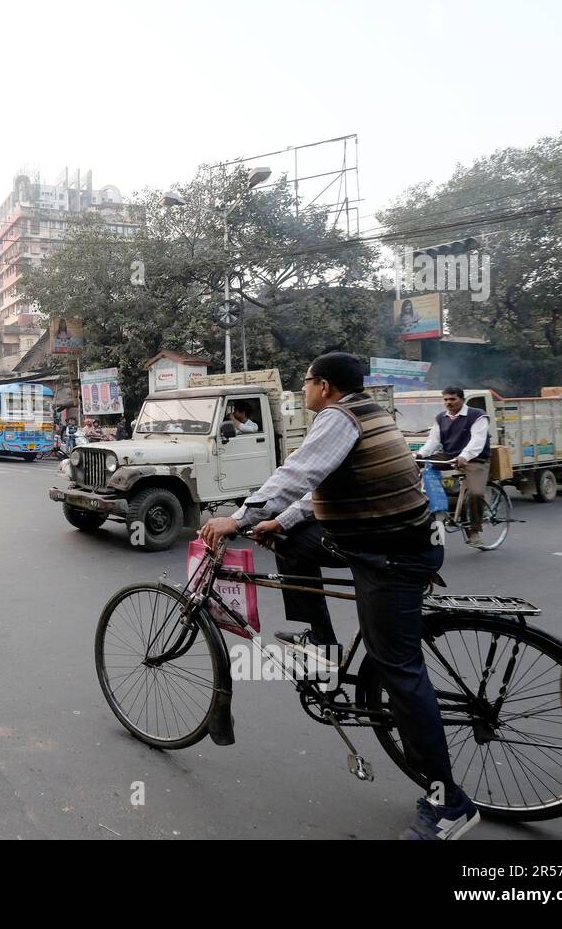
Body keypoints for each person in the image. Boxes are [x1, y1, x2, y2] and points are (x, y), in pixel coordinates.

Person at [201, 352, 478, 840]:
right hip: (382, 539)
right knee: (286, 539)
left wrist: (239, 518)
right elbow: (318, 488)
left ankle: (450, 802)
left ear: (324, 386)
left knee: (398, 669)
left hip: (392, 553)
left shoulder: (337, 416)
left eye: (305, 382)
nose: (302, 390)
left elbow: (299, 473)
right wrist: (276, 521)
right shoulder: (369, 412)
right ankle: (321, 645)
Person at [414, 387, 490, 546]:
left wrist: (464, 456)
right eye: (446, 400)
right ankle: (436, 506)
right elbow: (433, 441)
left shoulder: (477, 415)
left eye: (452, 399)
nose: (449, 403)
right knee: (418, 466)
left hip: (475, 458)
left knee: (475, 493)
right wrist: (420, 455)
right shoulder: (441, 418)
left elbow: (477, 440)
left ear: (462, 399)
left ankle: (475, 530)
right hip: (450, 455)